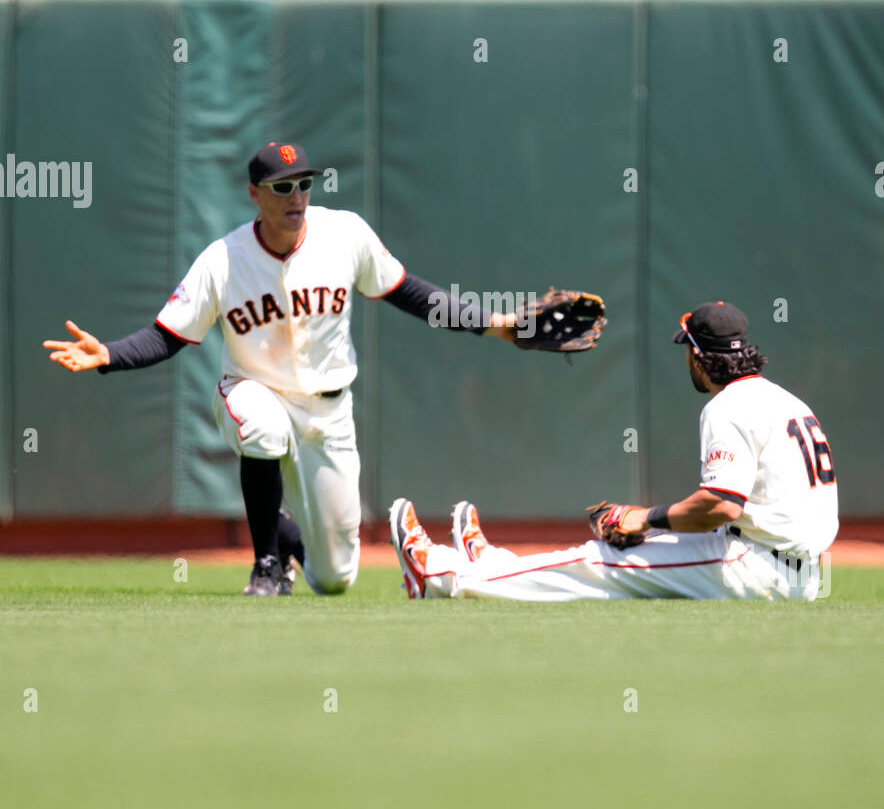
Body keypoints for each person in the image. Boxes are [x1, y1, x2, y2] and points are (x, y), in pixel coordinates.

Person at [44, 141, 529, 596]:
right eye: (282, 187)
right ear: (254, 194)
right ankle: (267, 565)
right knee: (263, 428)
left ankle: (284, 533)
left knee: (335, 578)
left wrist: (497, 325)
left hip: (328, 412)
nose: (296, 196)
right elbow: (167, 335)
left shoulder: (345, 234)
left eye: (304, 184)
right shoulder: (223, 261)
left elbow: (410, 293)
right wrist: (109, 354)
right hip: (252, 390)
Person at [389, 300, 838, 601]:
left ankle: (440, 575)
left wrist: (643, 516)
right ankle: (493, 565)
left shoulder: (728, 406)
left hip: (757, 571)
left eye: (687, 350)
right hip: (802, 571)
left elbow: (721, 506)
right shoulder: (785, 400)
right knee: (647, 542)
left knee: (599, 560)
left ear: (700, 356)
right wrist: (648, 525)